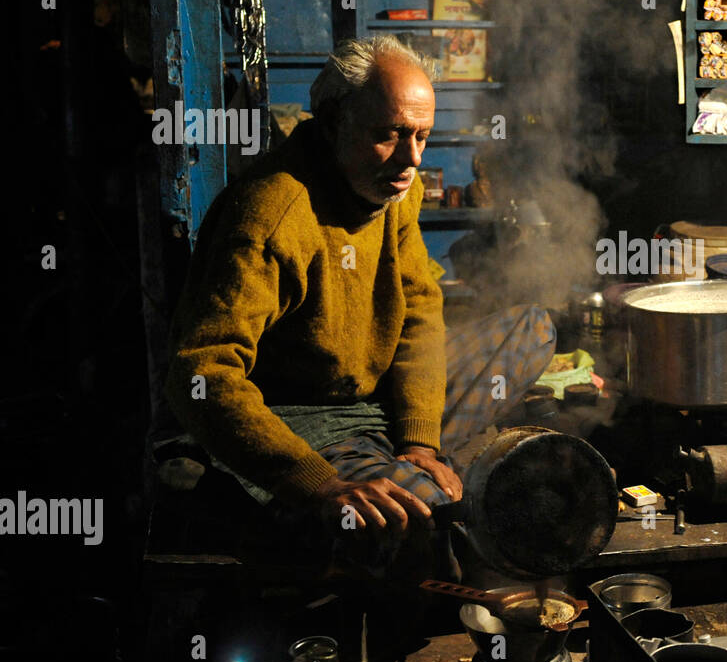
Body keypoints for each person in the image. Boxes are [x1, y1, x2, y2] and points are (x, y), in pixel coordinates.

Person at [165, 35, 555, 555]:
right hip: (306, 422)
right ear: (332, 123)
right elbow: (200, 372)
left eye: (422, 136)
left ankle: (401, 462)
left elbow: (418, 308)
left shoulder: (396, 190)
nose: (409, 158)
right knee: (429, 523)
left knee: (532, 328)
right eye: (390, 134)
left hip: (375, 407)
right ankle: (366, 485)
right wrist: (318, 484)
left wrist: (419, 439)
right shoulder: (272, 215)